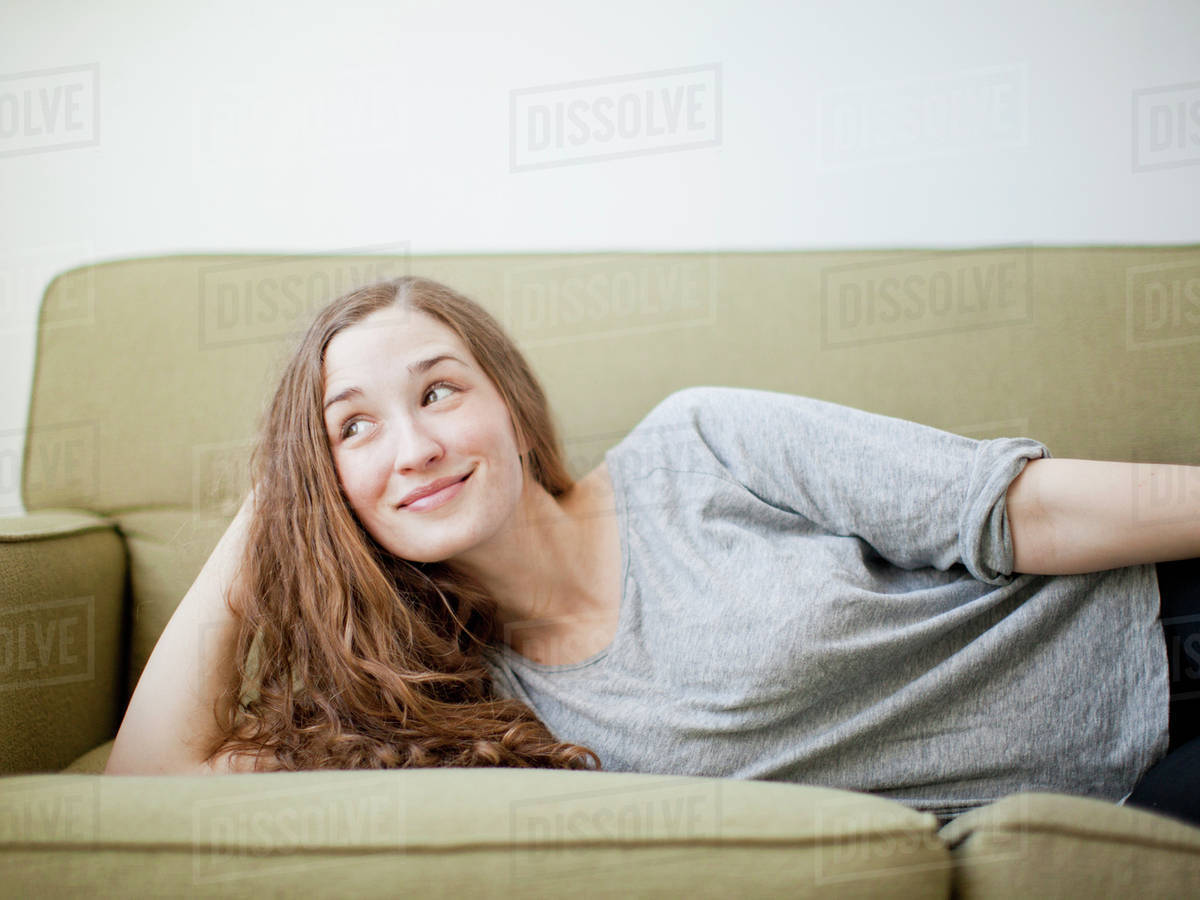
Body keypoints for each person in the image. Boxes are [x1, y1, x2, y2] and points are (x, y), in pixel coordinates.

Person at [105, 275, 1200, 830]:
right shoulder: (465, 717)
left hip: (1167, 623)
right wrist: (271, 512)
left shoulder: (702, 444)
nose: (417, 446)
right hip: (1128, 794)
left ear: (513, 411)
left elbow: (1028, 514)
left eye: (439, 390)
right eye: (355, 427)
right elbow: (147, 785)